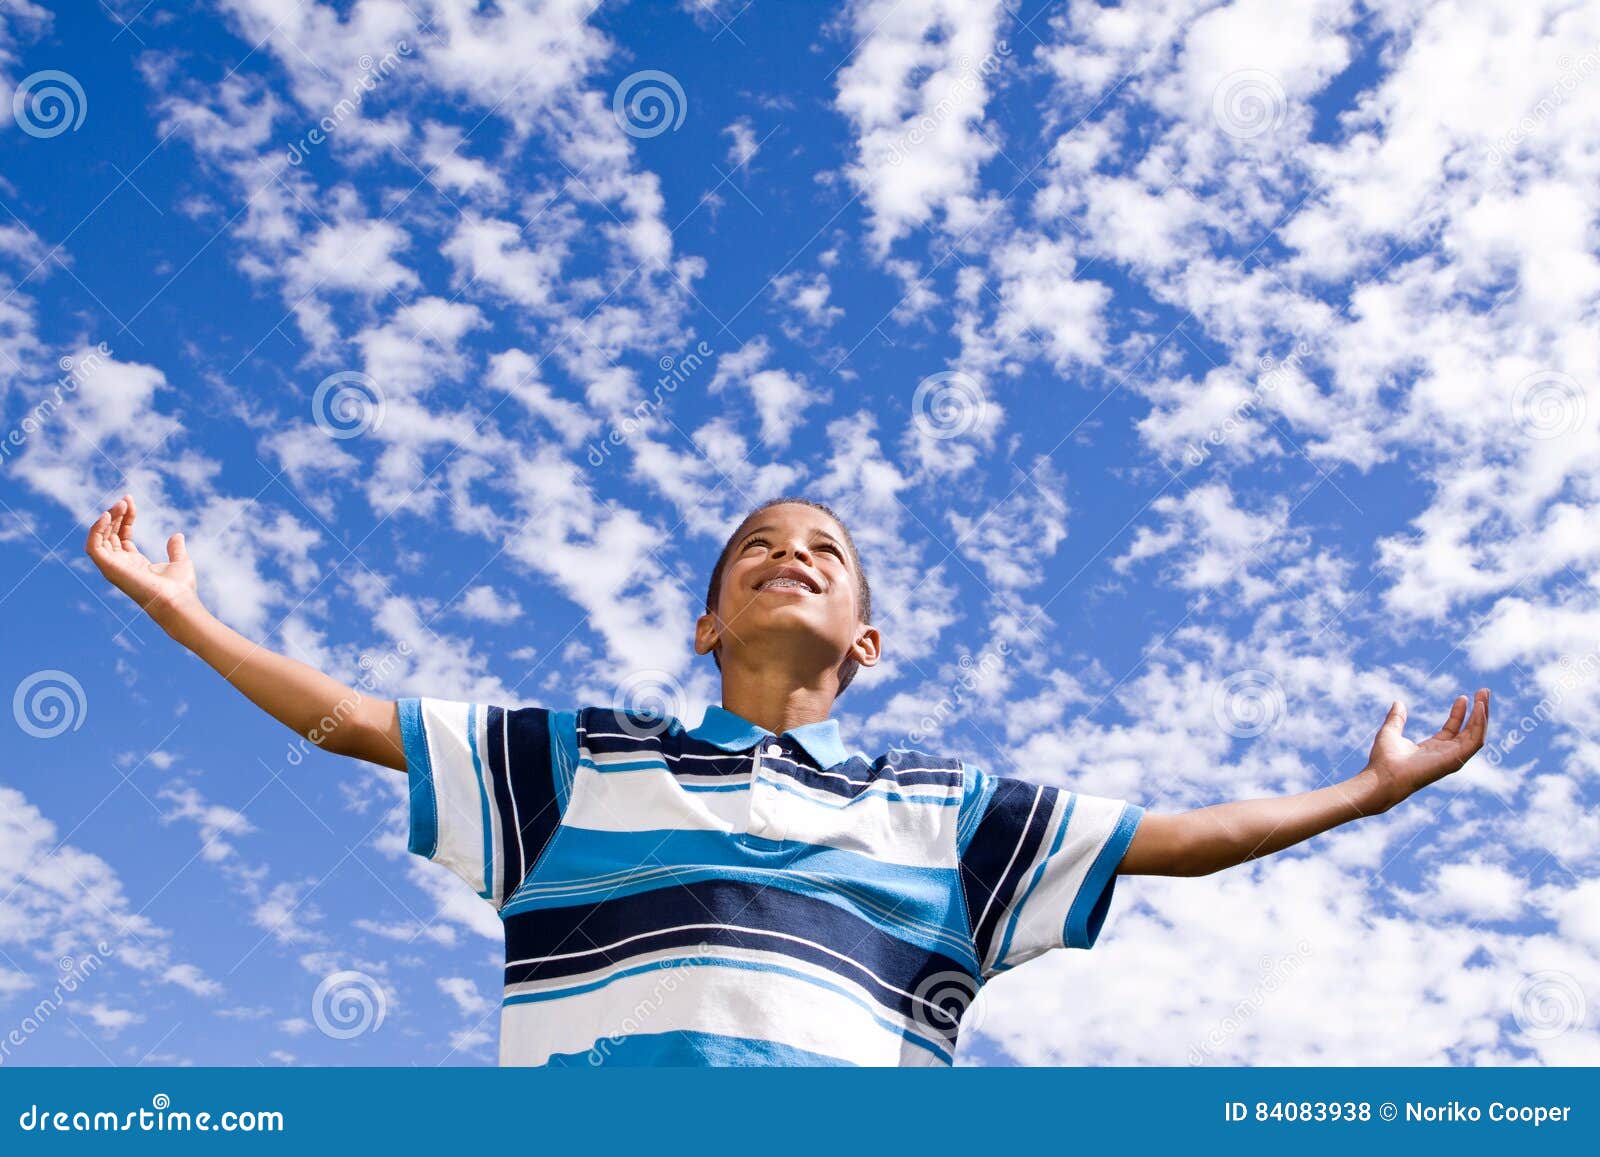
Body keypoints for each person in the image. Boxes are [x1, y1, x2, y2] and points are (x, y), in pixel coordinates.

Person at [86, 492, 1489, 1066]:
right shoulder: (582, 763)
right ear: (706, 621)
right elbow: (348, 718)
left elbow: (1180, 837)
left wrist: (1364, 794)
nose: (789, 552)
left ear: (865, 639)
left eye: (822, 549)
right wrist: (179, 612)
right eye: (755, 546)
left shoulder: (948, 814)